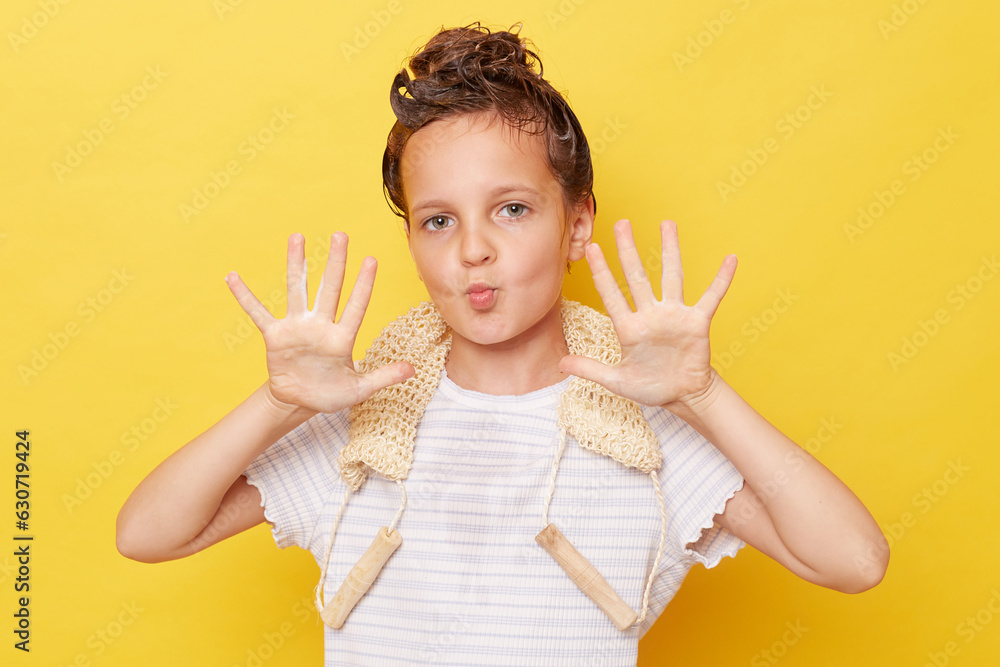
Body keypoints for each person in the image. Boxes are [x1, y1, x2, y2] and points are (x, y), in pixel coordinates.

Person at [116, 22, 888, 666]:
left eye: (512, 209)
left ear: (576, 222)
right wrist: (277, 403)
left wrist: (703, 396)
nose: (472, 250)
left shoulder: (641, 433)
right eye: (438, 220)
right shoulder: (366, 427)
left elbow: (855, 561)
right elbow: (147, 532)